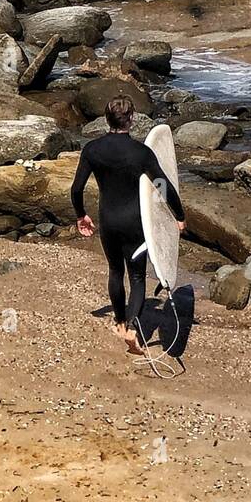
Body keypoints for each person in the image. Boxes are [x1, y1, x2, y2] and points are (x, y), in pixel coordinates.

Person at [70, 96, 185, 355]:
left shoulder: (92, 149)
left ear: (106, 119)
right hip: (135, 223)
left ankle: (120, 322)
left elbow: (76, 188)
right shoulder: (141, 153)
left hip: (108, 220)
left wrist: (80, 215)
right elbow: (163, 185)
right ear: (132, 119)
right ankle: (133, 328)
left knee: (114, 271)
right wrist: (178, 216)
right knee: (136, 276)